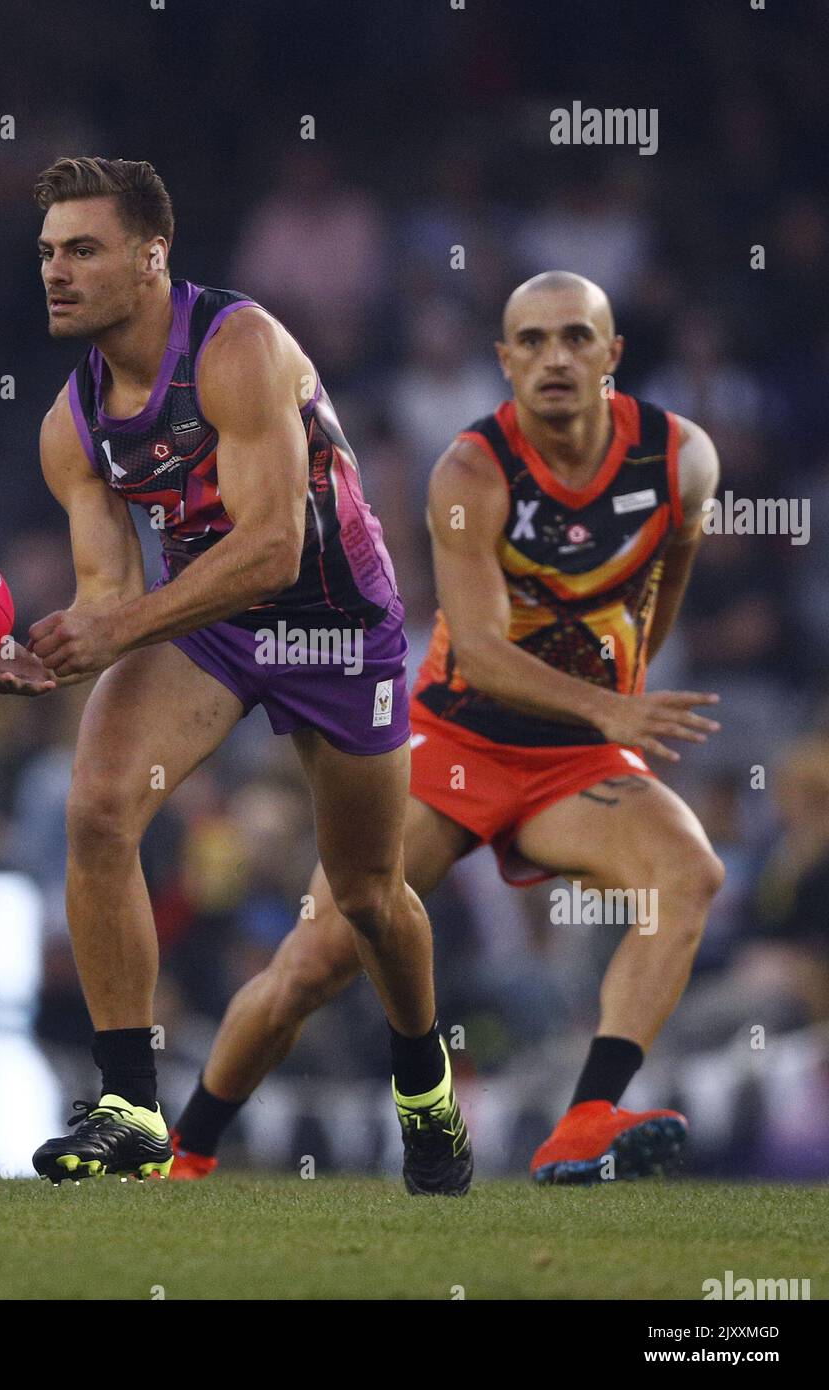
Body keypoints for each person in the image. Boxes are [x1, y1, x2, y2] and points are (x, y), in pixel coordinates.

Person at [0, 157, 471, 1195]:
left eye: (83, 250)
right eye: (48, 251)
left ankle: (423, 1085)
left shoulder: (239, 346)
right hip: (212, 623)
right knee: (96, 807)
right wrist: (47, 651)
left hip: (334, 624)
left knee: (367, 896)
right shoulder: (72, 420)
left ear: (152, 258)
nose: (56, 271)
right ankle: (131, 1104)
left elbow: (275, 548)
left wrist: (121, 627)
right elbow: (107, 589)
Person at [169, 271, 725, 1186]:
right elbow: (475, 643)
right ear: (504, 361)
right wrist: (611, 704)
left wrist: (619, 690)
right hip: (454, 745)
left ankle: (585, 1118)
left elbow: (672, 571)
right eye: (533, 341)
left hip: (573, 757)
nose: (555, 357)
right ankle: (188, 1151)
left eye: (577, 338)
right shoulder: (471, 470)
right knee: (312, 964)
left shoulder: (682, 460)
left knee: (689, 875)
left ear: (613, 355)